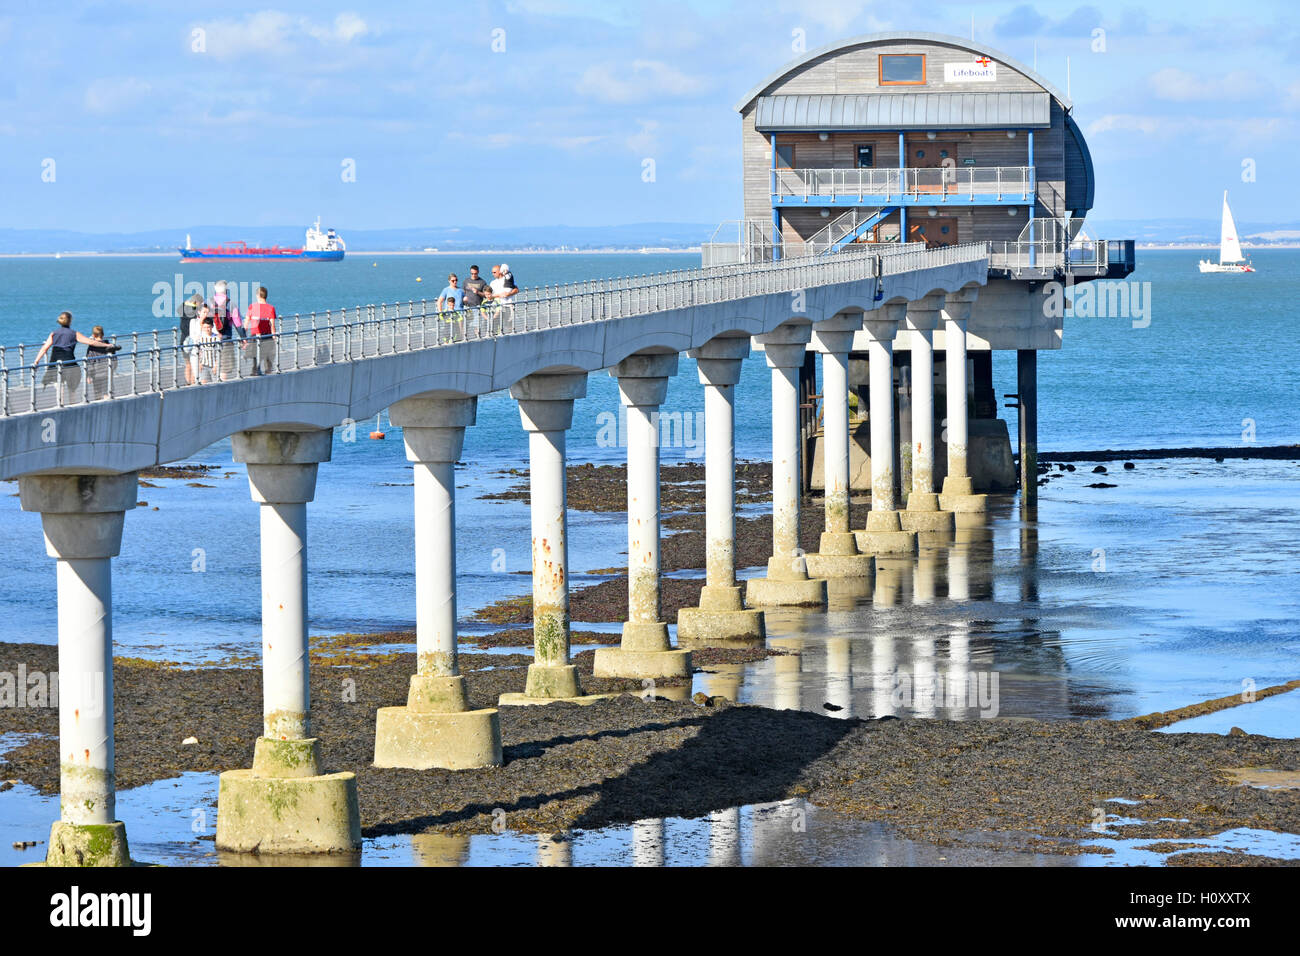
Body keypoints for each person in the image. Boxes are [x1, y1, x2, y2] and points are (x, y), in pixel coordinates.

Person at [31, 312, 98, 404]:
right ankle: (72, 404)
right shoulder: (74, 334)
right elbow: (92, 342)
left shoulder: (54, 334)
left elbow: (44, 348)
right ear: (70, 321)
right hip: (69, 363)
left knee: (59, 387)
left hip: (55, 363)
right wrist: (107, 345)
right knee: (72, 388)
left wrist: (36, 361)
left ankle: (60, 404)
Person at [208, 279, 244, 380]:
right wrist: (243, 338)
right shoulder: (231, 304)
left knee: (206, 367)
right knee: (224, 368)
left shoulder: (207, 303)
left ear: (215, 290)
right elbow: (238, 324)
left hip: (209, 340)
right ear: (226, 290)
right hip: (226, 339)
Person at [244, 285, 278, 375]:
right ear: (266, 296)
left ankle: (255, 371)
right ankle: (268, 372)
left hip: (255, 335)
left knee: (255, 356)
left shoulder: (252, 307)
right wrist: (274, 336)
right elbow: (272, 325)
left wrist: (244, 337)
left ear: (257, 295)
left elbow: (246, 322)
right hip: (267, 335)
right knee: (268, 356)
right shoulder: (271, 308)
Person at [84, 326, 122, 401]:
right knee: (107, 393)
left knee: (97, 393)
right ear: (103, 334)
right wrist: (112, 370)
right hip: (107, 372)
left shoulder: (92, 347)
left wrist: (88, 376)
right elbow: (114, 360)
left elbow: (90, 362)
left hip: (96, 374)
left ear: (94, 335)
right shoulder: (108, 345)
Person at [179, 293, 204, 385]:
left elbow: (182, 305)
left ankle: (188, 383)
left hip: (183, 341)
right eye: (200, 303)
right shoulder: (195, 312)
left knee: (188, 365)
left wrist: (188, 302)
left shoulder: (182, 308)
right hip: (193, 341)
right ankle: (194, 383)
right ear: (196, 303)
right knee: (195, 365)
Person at [487, 262, 519, 333]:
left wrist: (509, 293)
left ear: (500, 271)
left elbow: (516, 289)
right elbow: (490, 296)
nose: (493, 274)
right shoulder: (492, 283)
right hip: (497, 307)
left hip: (507, 305)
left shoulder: (508, 279)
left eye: (494, 272)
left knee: (509, 325)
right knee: (495, 325)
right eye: (492, 272)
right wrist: (499, 295)